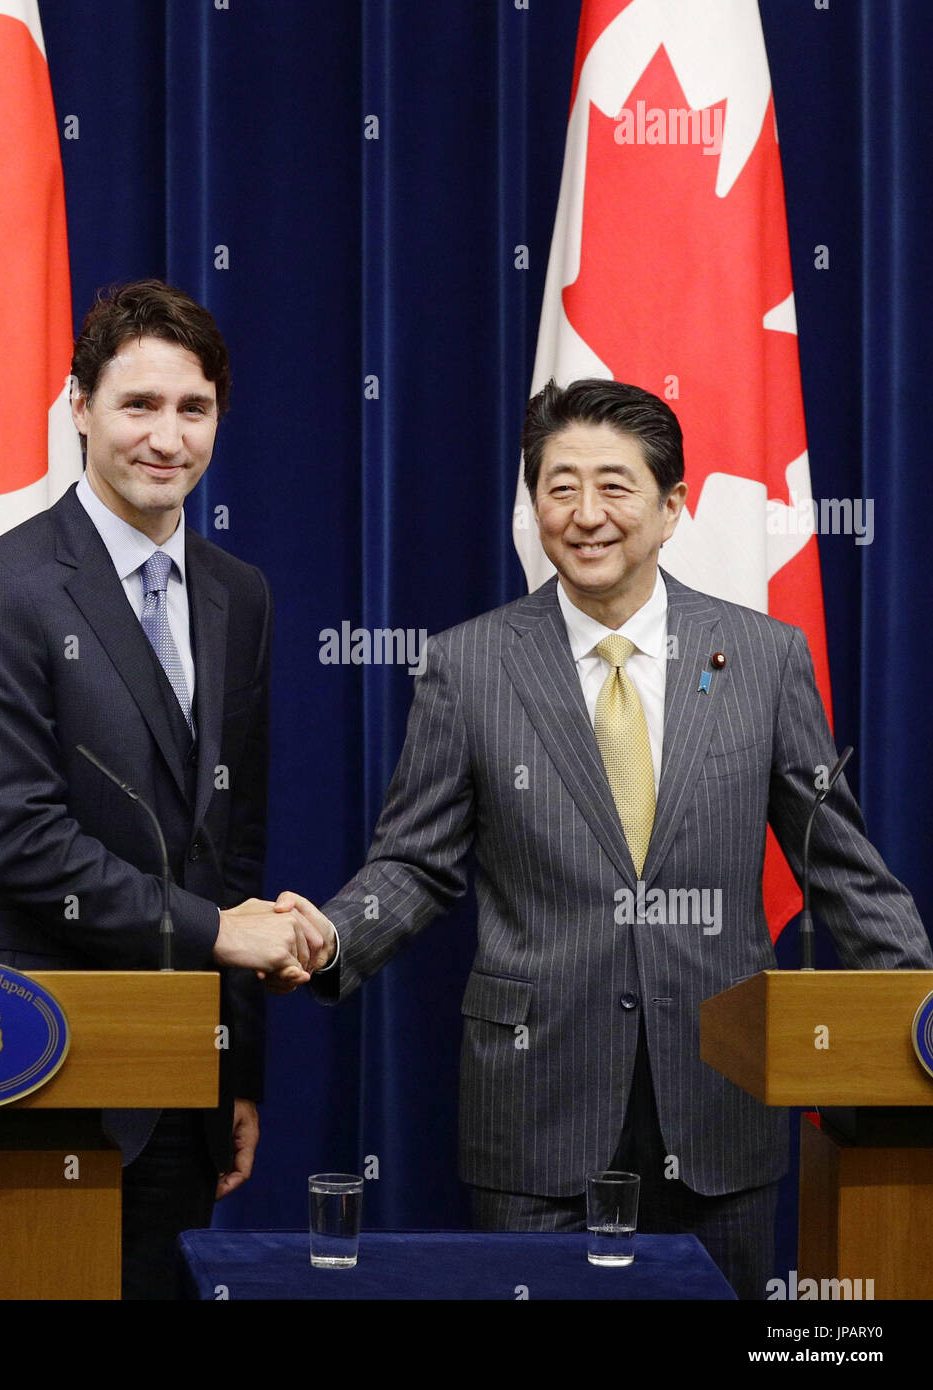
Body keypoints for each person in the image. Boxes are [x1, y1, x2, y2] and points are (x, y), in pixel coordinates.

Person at [282, 377, 933, 1299]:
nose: (586, 514)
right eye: (559, 486)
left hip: (720, 1095)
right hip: (534, 1105)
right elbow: (415, 863)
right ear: (534, 504)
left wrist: (921, 1017)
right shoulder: (467, 665)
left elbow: (841, 868)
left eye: (615, 486)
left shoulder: (762, 657)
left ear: (670, 509)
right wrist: (334, 935)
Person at [0, 279, 328, 1299]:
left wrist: (232, 1067)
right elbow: (16, 837)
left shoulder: (241, 593)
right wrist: (212, 933)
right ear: (78, 406)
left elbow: (228, 847)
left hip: (176, 1084)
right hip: (25, 1056)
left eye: (191, 408)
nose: (166, 436)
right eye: (137, 405)